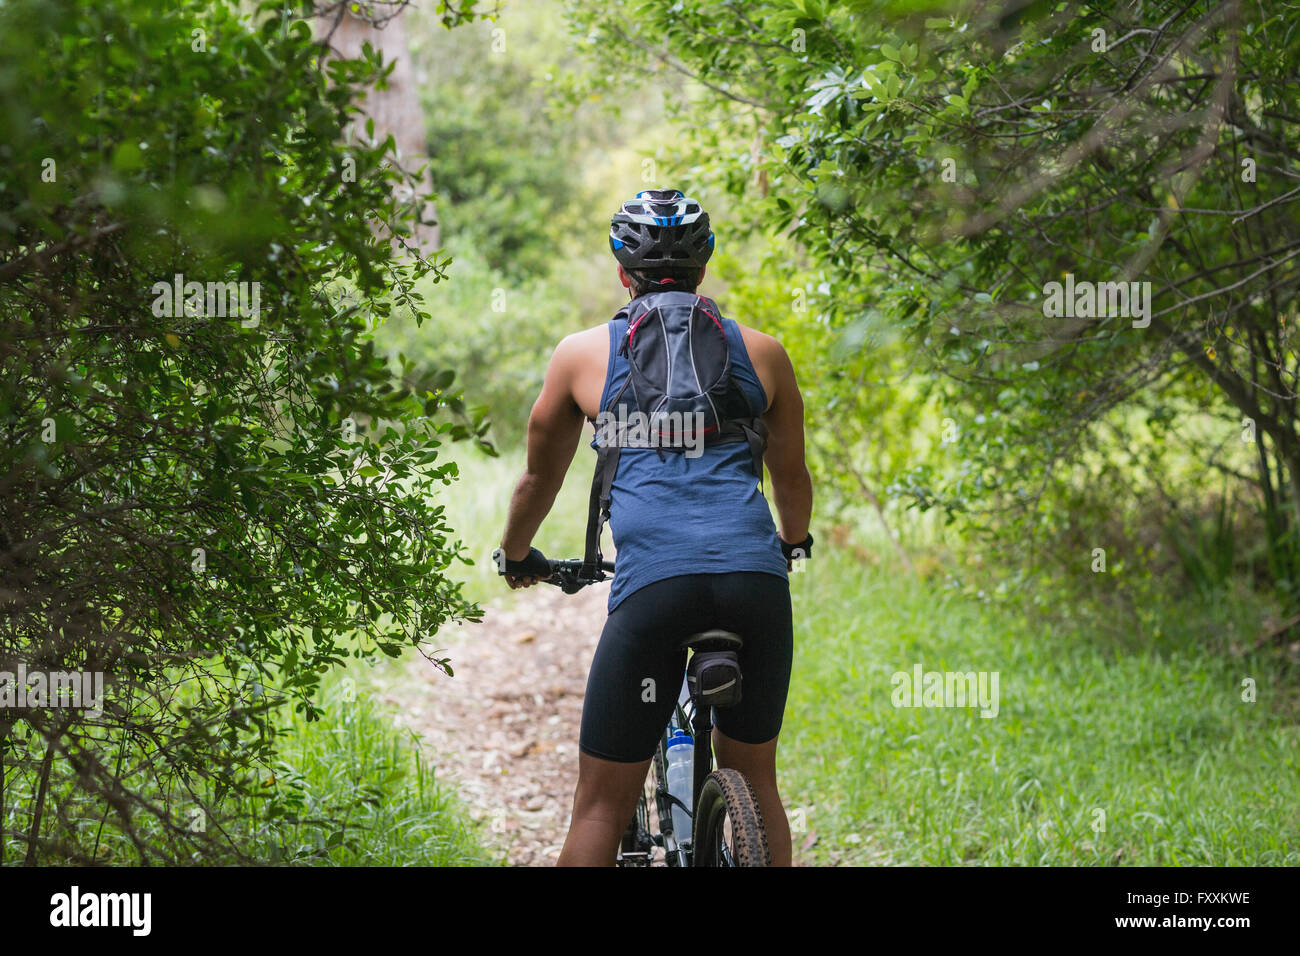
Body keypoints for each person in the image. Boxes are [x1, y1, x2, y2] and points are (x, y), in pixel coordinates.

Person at [496, 188, 813, 866]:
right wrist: (792, 542)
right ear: (705, 265)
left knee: (601, 807)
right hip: (755, 584)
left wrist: (517, 554)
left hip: (656, 590)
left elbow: (539, 479)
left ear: (621, 271)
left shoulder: (582, 355)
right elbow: (791, 478)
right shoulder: (764, 353)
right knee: (758, 779)